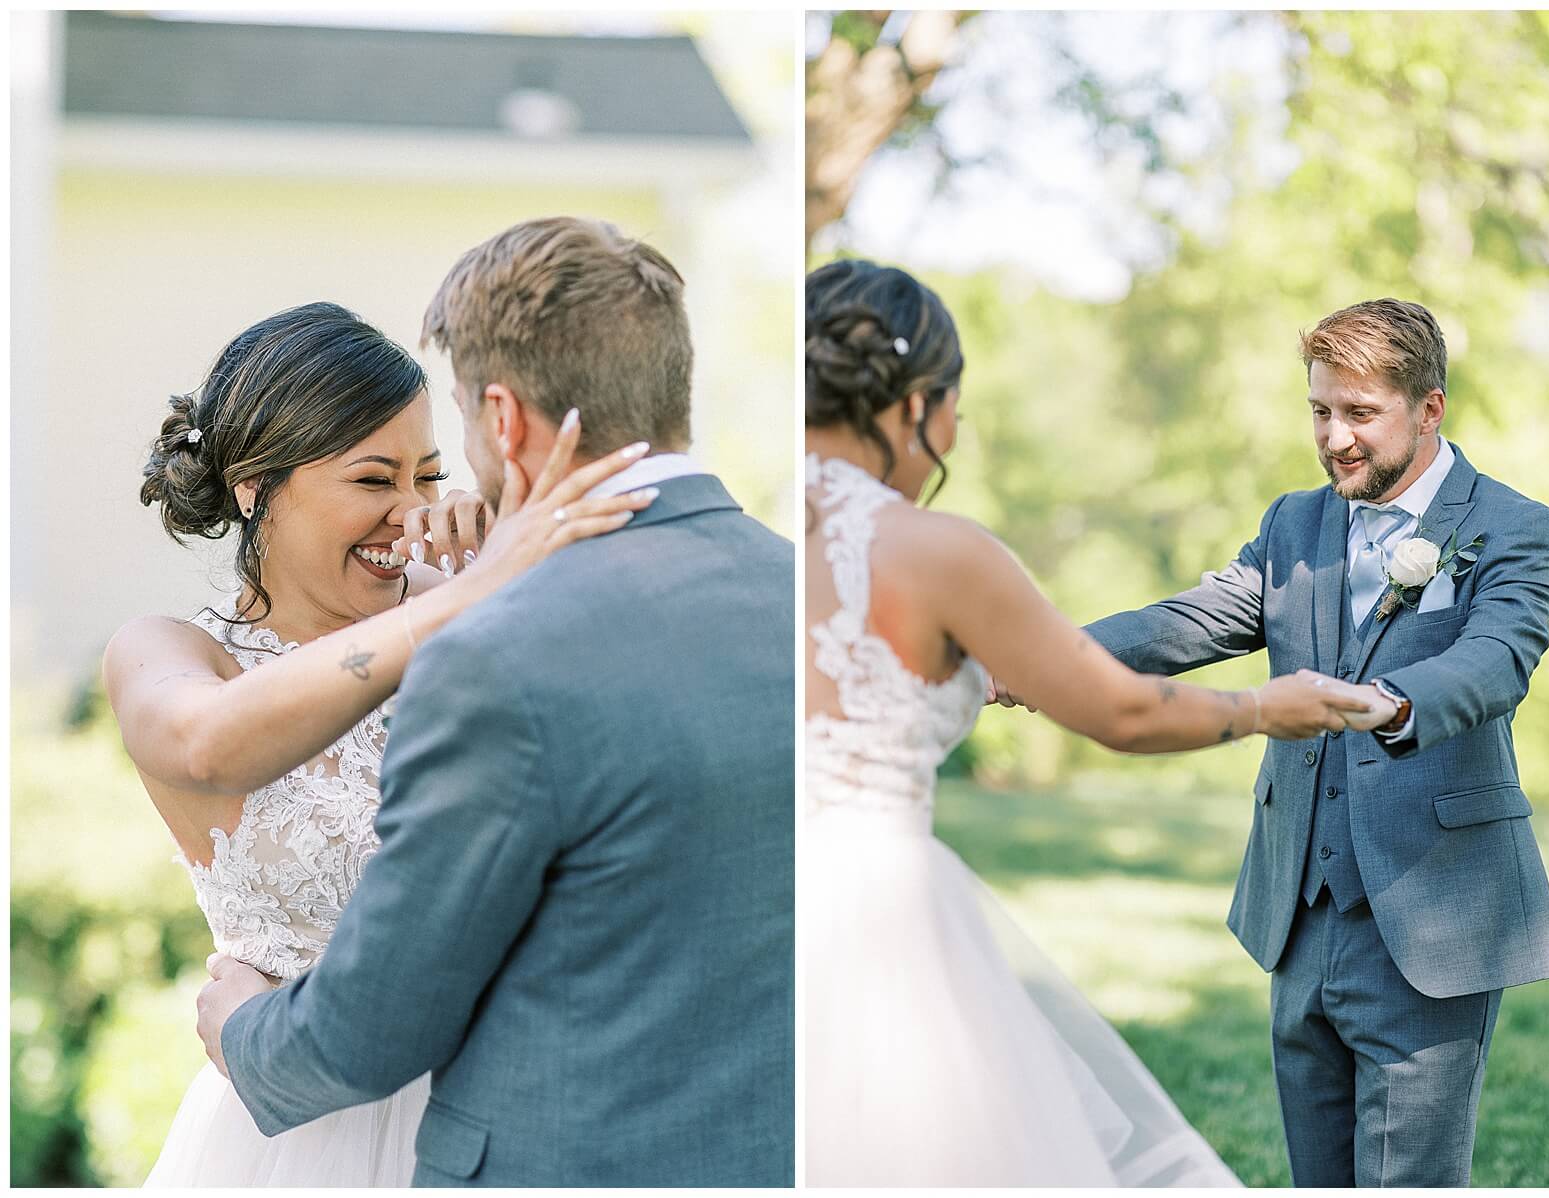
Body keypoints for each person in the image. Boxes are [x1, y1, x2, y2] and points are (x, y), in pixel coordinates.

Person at [194, 219, 795, 1186]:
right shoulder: (808, 600)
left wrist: (242, 1032)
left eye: (457, 435)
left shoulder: (499, 652)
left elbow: (368, 1033)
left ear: (504, 420)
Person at [802, 258, 1376, 1186]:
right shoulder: (937, 550)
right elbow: (1120, 712)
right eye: (950, 402)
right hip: (883, 921)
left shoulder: (757, 545)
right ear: (913, 405)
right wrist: (1263, 708)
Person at [107, 300, 656, 1185]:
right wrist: (464, 603)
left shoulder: (473, 601)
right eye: (374, 481)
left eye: (430, 478)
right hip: (300, 1133)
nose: (410, 514)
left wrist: (505, 587)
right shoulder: (170, 652)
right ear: (254, 487)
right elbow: (206, 744)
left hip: (518, 1114)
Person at [1078, 298, 1549, 1186]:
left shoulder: (1516, 525)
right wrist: (1050, 654)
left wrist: (1385, 703)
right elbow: (1193, 620)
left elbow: (1499, 659)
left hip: (1432, 919)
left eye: (1359, 414)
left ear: (1429, 408)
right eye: (1319, 410)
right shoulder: (1294, 525)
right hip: (1298, 915)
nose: (1334, 437)